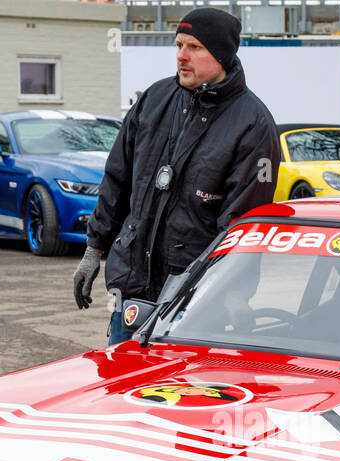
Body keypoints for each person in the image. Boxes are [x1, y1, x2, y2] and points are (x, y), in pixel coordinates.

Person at [72, 8, 280, 344]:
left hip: (195, 302)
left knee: (181, 393)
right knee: (119, 390)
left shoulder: (252, 124)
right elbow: (118, 179)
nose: (182, 56)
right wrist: (94, 248)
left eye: (195, 47)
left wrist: (230, 294)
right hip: (132, 291)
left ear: (222, 54)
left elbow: (241, 226)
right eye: (179, 45)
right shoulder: (155, 99)